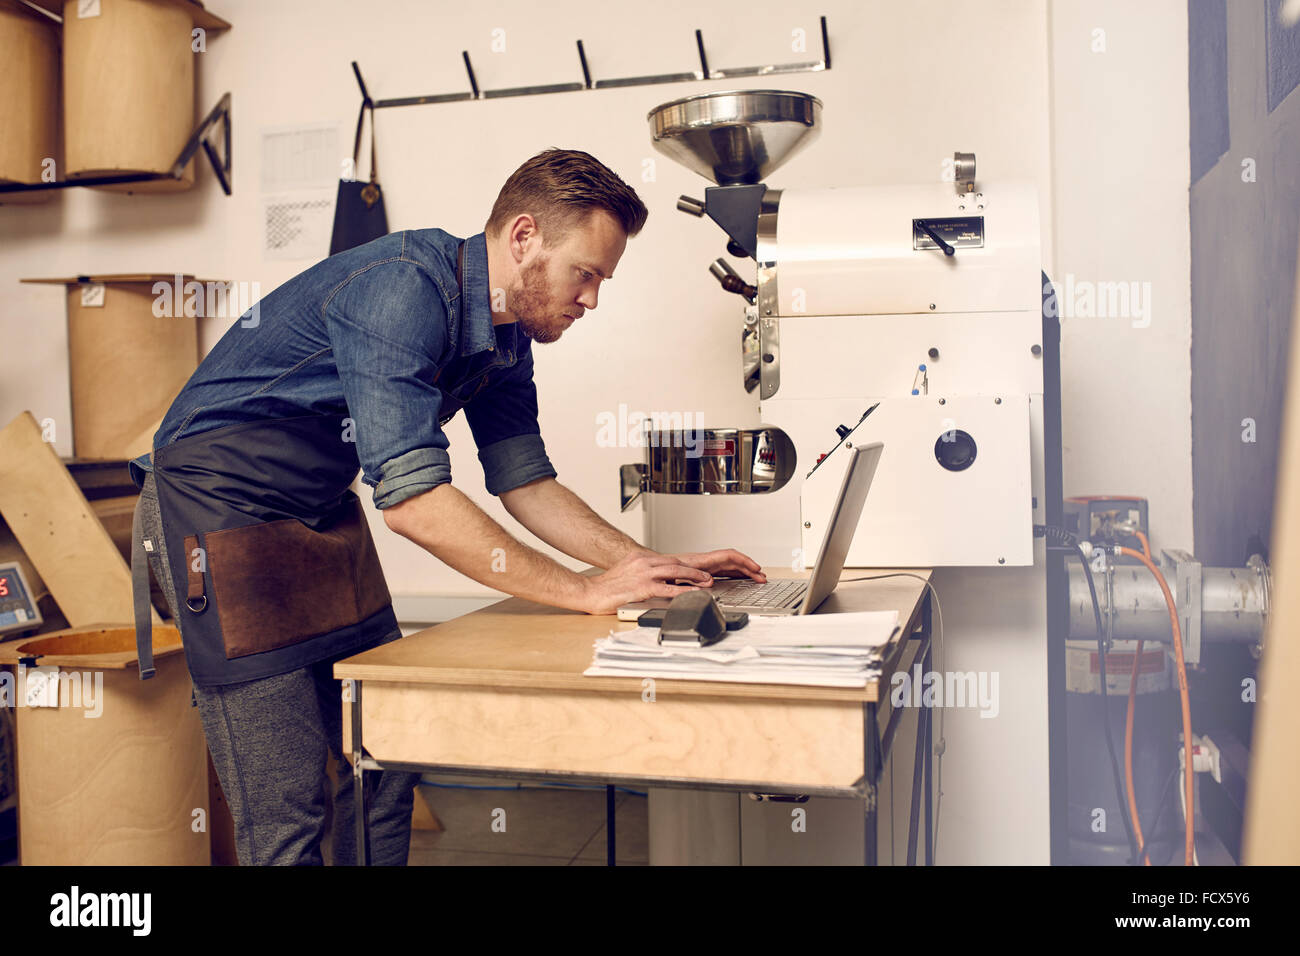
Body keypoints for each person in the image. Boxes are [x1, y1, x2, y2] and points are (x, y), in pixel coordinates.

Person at [129, 147, 766, 866]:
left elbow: (526, 480)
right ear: (525, 238)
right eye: (584, 273)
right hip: (219, 512)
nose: (592, 299)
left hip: (319, 513)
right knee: (289, 805)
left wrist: (649, 564)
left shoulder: (506, 337)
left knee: (383, 761)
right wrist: (583, 591)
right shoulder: (400, 289)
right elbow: (412, 501)